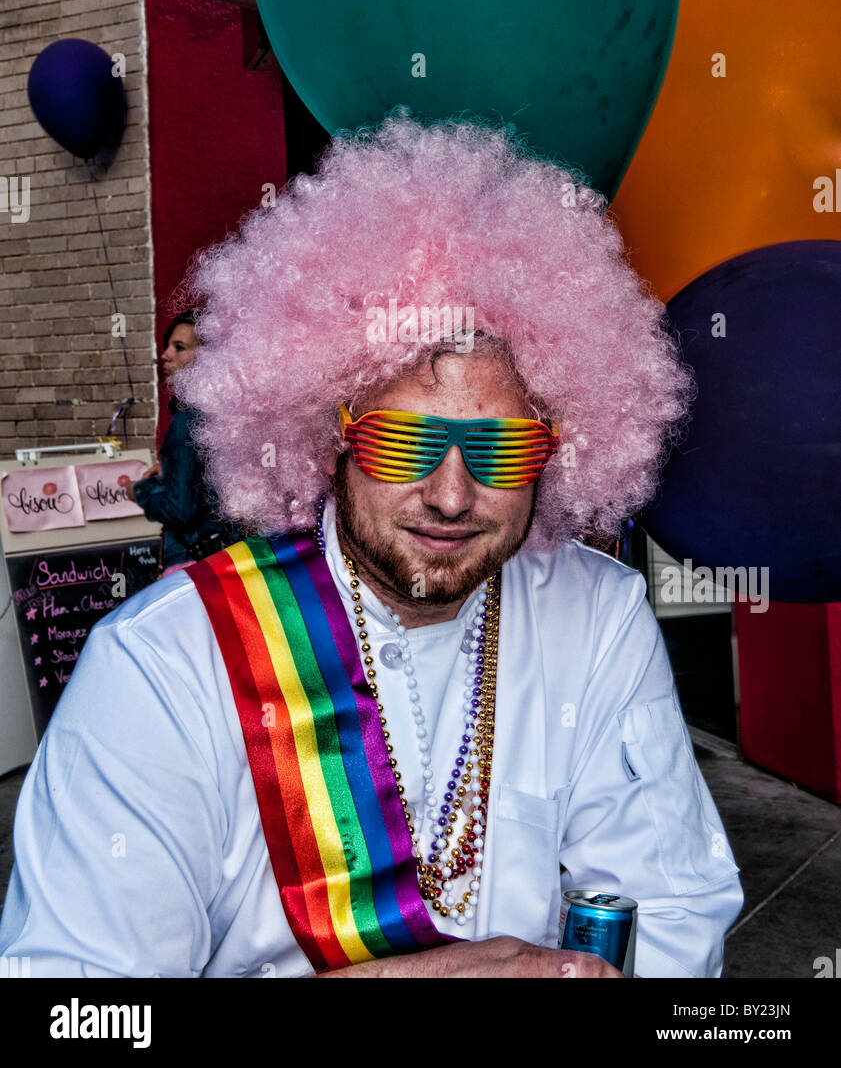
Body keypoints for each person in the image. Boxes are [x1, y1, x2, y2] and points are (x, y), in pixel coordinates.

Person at [0, 111, 743, 978]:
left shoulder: (599, 615)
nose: (451, 495)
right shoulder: (165, 663)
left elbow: (671, 911)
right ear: (327, 432)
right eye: (403, 443)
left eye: (501, 449)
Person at [129, 311, 232, 576]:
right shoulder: (226, 412)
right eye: (167, 346)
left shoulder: (187, 419)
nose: (165, 355)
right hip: (225, 559)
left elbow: (180, 510)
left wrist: (141, 490)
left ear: (208, 358)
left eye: (179, 348)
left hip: (192, 562)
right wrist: (171, 473)